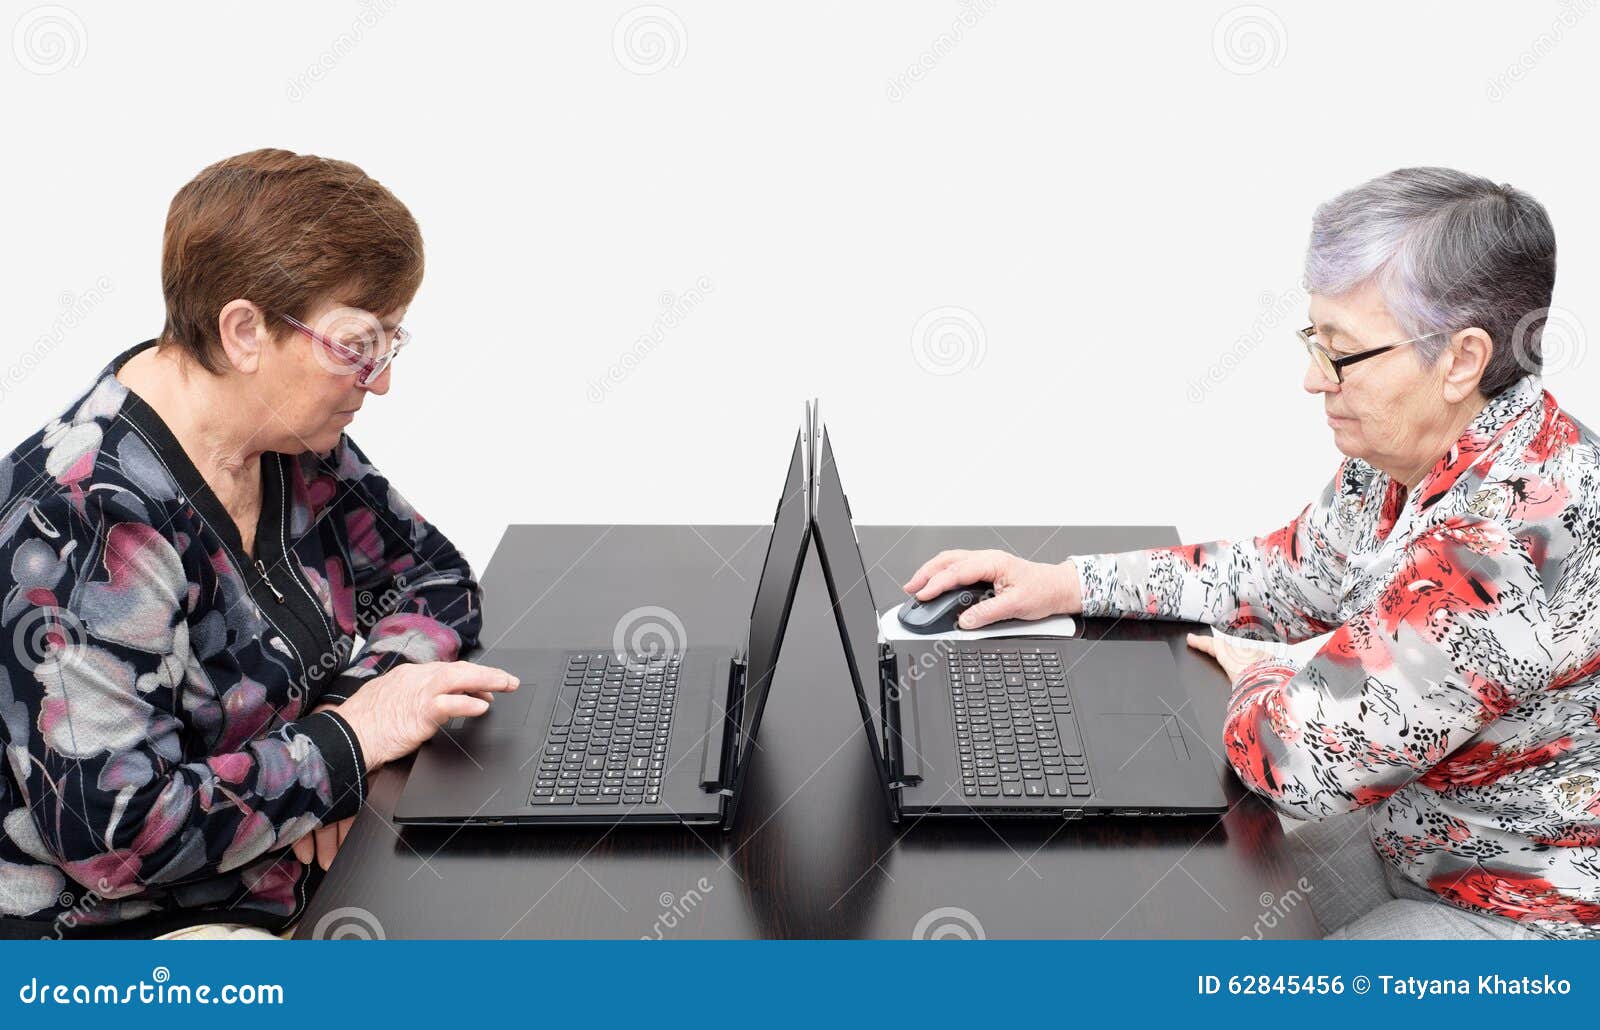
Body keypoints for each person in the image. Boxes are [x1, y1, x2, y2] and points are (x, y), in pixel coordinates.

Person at [904, 167, 1600, 939]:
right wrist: (1066, 583)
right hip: (1411, 833)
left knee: (1236, 994)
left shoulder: (1514, 540)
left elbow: (1296, 760)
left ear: (1462, 359)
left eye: (1342, 353)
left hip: (1528, 914)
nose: (1312, 379)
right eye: (1316, 341)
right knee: (1159, 929)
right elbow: (1288, 576)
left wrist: (1273, 673)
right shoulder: (1410, 456)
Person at [0, 149, 517, 938]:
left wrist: (344, 735)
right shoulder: (83, 518)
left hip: (293, 880)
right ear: (245, 331)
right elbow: (121, 836)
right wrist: (349, 744)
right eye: (357, 345)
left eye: (389, 343)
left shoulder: (288, 439)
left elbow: (436, 583)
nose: (378, 381)